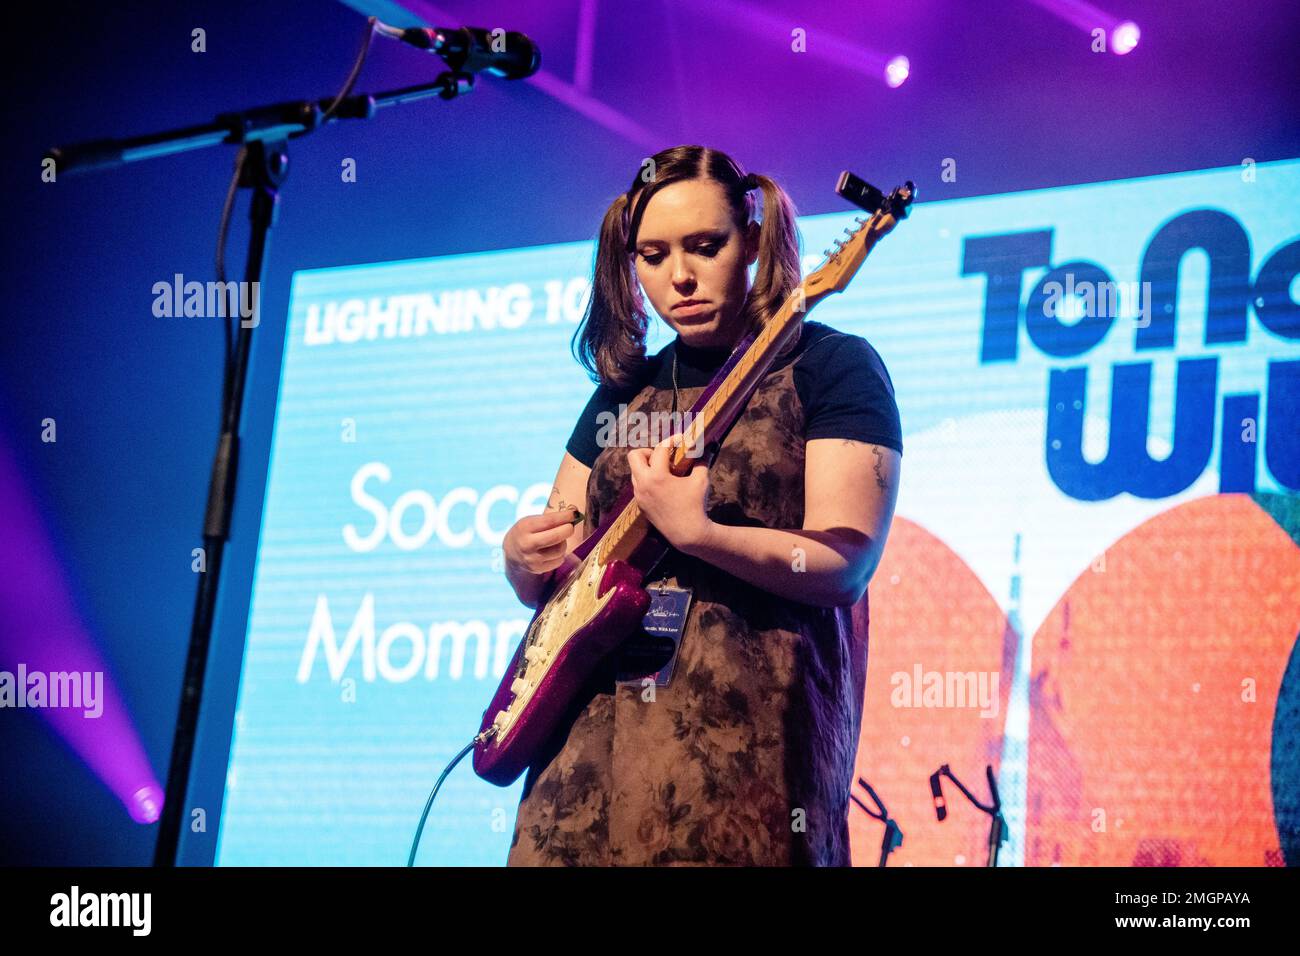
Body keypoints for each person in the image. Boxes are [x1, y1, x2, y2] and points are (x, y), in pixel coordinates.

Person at [499, 145, 902, 866]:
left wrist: (699, 533)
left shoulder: (831, 366)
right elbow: (558, 579)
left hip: (743, 763)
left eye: (705, 246)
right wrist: (521, 561)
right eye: (652, 256)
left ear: (753, 238)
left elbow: (845, 563)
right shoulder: (620, 395)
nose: (678, 276)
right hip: (580, 768)